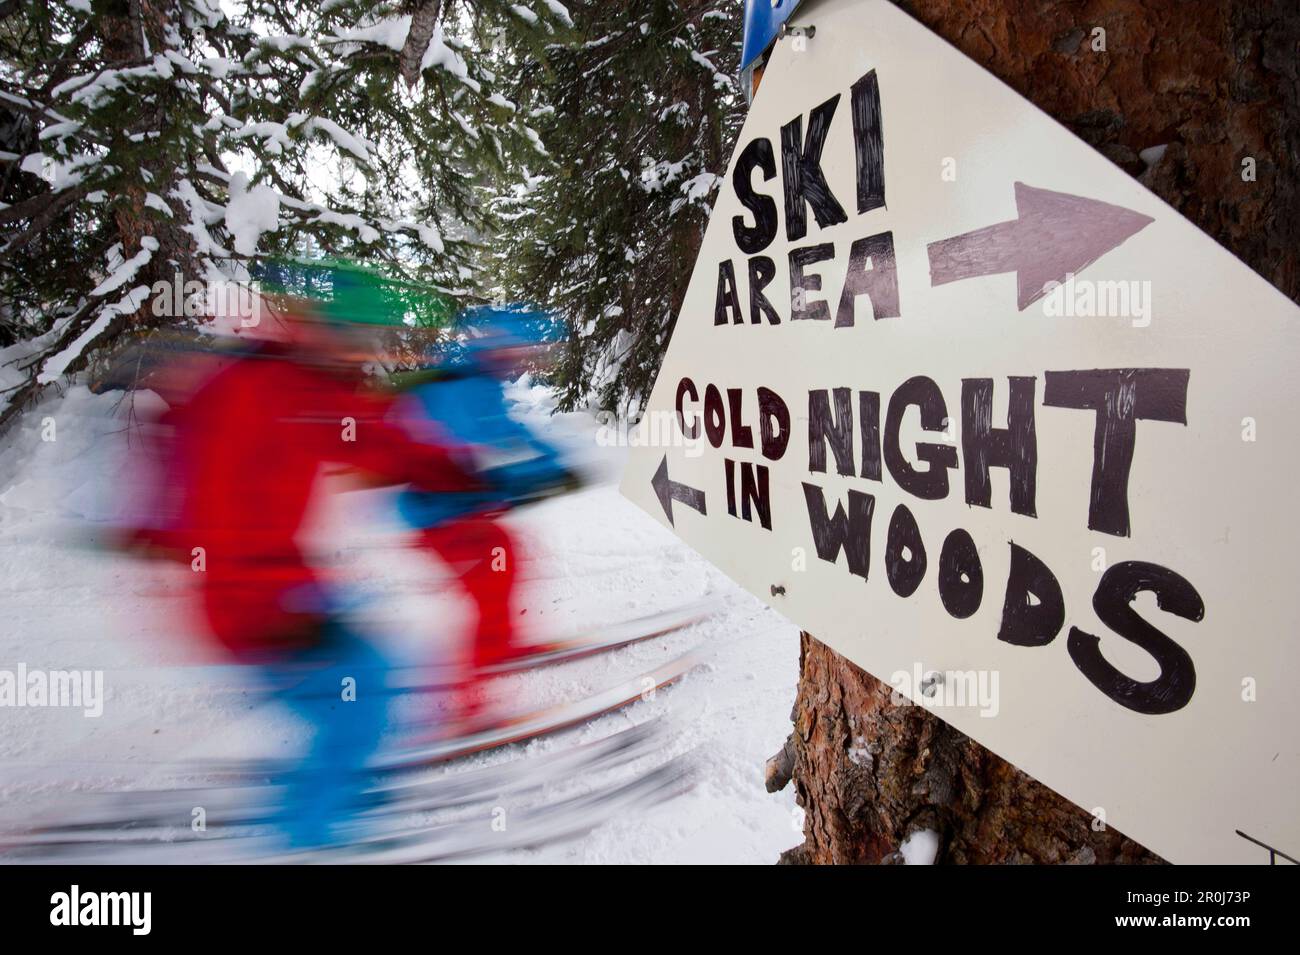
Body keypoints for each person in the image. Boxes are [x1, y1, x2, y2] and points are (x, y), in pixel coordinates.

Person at [122, 260, 477, 848]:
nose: (358, 352)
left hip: (282, 581)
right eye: (349, 335)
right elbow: (209, 506)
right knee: (359, 692)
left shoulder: (304, 384)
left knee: (378, 672)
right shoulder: (251, 390)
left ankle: (341, 784)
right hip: (244, 598)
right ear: (316, 324)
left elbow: (370, 433)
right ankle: (310, 833)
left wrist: (448, 469)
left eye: (365, 339)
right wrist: (270, 607)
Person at [392, 305, 576, 719]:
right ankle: (470, 706)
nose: (522, 359)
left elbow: (511, 431)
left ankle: (501, 645)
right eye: (518, 349)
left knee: (506, 560)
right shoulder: (459, 385)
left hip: (458, 508)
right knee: (488, 587)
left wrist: (556, 464)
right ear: (496, 346)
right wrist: (524, 477)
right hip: (436, 512)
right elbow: (471, 444)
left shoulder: (482, 382)